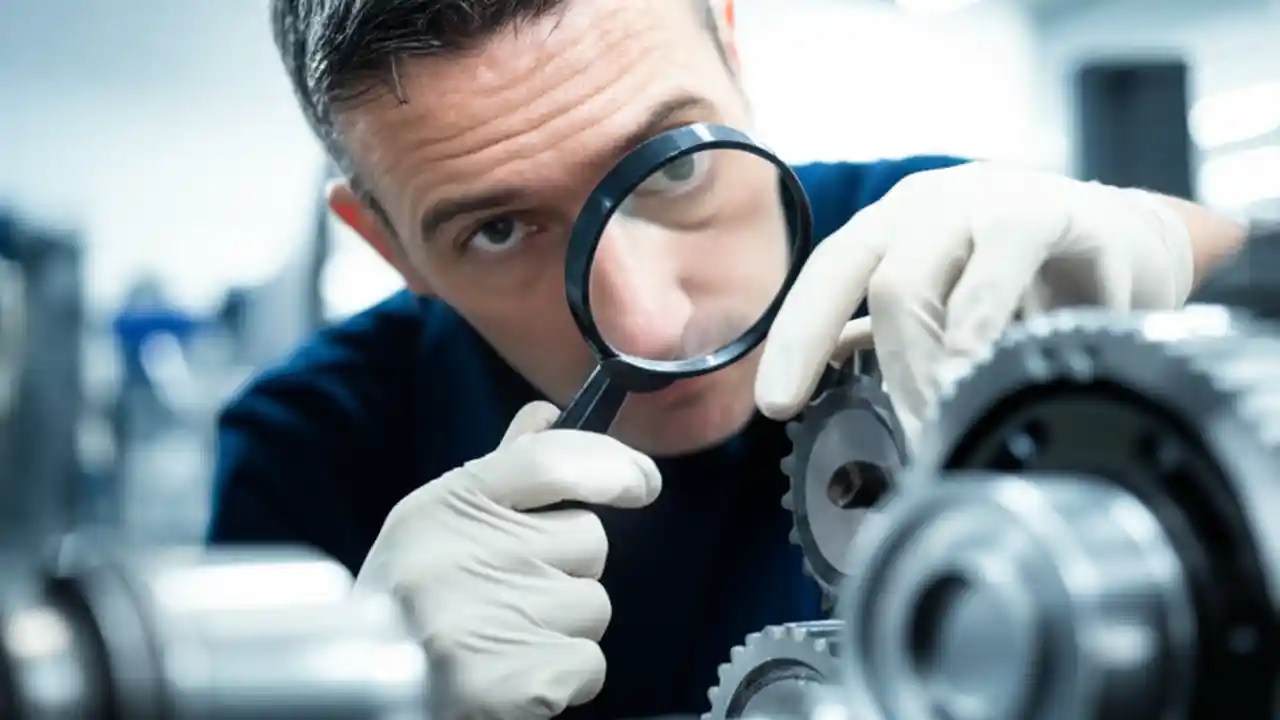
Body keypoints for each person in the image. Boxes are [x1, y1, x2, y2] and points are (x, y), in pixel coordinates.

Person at [207, 0, 1246, 717]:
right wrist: (376, 691)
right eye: (497, 230)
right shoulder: (306, 454)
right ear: (387, 245)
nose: (649, 326)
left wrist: (1175, 247)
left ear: (733, 51)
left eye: (668, 167)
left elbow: (1222, 280)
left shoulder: (949, 235)